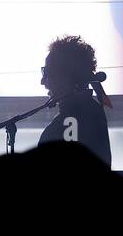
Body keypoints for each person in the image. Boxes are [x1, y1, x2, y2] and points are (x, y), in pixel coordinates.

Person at [38, 34, 112, 166]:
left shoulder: (73, 118)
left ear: (65, 76)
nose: (43, 81)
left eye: (47, 73)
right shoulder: (90, 111)